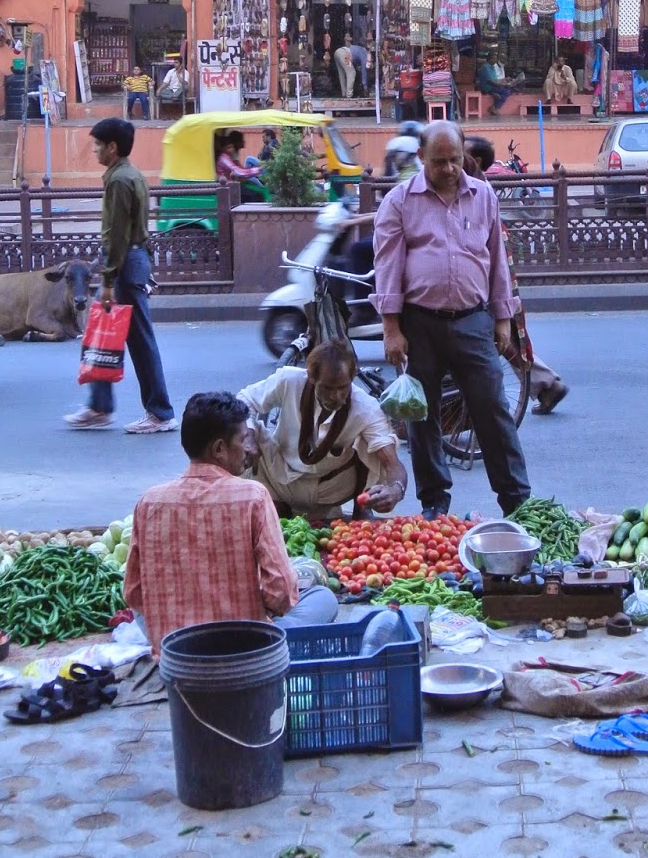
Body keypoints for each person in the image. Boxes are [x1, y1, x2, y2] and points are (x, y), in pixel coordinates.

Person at [373, 120, 532, 517]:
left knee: (491, 410)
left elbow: (497, 260)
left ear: (465, 156)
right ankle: (435, 504)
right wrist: (391, 328)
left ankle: (517, 502)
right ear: (421, 158)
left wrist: (502, 319)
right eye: (439, 161)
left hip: (474, 320)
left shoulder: (483, 196)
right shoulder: (399, 201)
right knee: (422, 417)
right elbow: (388, 265)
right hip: (418, 323)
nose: (448, 168)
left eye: (455, 160)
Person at [123, 390, 337, 657]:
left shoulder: (149, 502)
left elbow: (133, 593)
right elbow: (280, 593)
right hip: (242, 655)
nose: (248, 449)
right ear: (219, 449)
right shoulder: (254, 497)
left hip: (177, 655)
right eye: (242, 440)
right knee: (323, 599)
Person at [64, 117, 176, 434]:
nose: (96, 150)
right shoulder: (132, 174)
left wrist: (109, 281)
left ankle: (160, 413)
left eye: (99, 145)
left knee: (140, 343)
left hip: (124, 265)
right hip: (132, 261)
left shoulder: (118, 181)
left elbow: (117, 236)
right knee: (100, 336)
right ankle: (100, 406)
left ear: (112, 147)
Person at [238, 338, 409, 520]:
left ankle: (362, 509)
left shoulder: (366, 408)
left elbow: (392, 463)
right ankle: (274, 506)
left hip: (329, 488)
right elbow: (245, 400)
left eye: (342, 388)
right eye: (327, 388)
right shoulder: (289, 380)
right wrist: (248, 437)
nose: (335, 396)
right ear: (311, 378)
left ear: (351, 380)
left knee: (376, 444)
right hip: (278, 475)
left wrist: (396, 489)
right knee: (240, 428)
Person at [465, 135, 569, 414]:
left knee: (499, 337)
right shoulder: (467, 188)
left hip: (485, 279)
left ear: (474, 161)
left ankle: (544, 383)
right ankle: (545, 383)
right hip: (485, 276)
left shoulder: (477, 192)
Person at [215, 129, 264, 203]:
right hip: (228, 187)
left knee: (257, 189)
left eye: (232, 147)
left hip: (233, 185)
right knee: (255, 196)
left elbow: (240, 169)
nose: (232, 150)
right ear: (223, 148)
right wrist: (259, 170)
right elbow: (237, 171)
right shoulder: (224, 158)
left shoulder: (230, 156)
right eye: (229, 147)